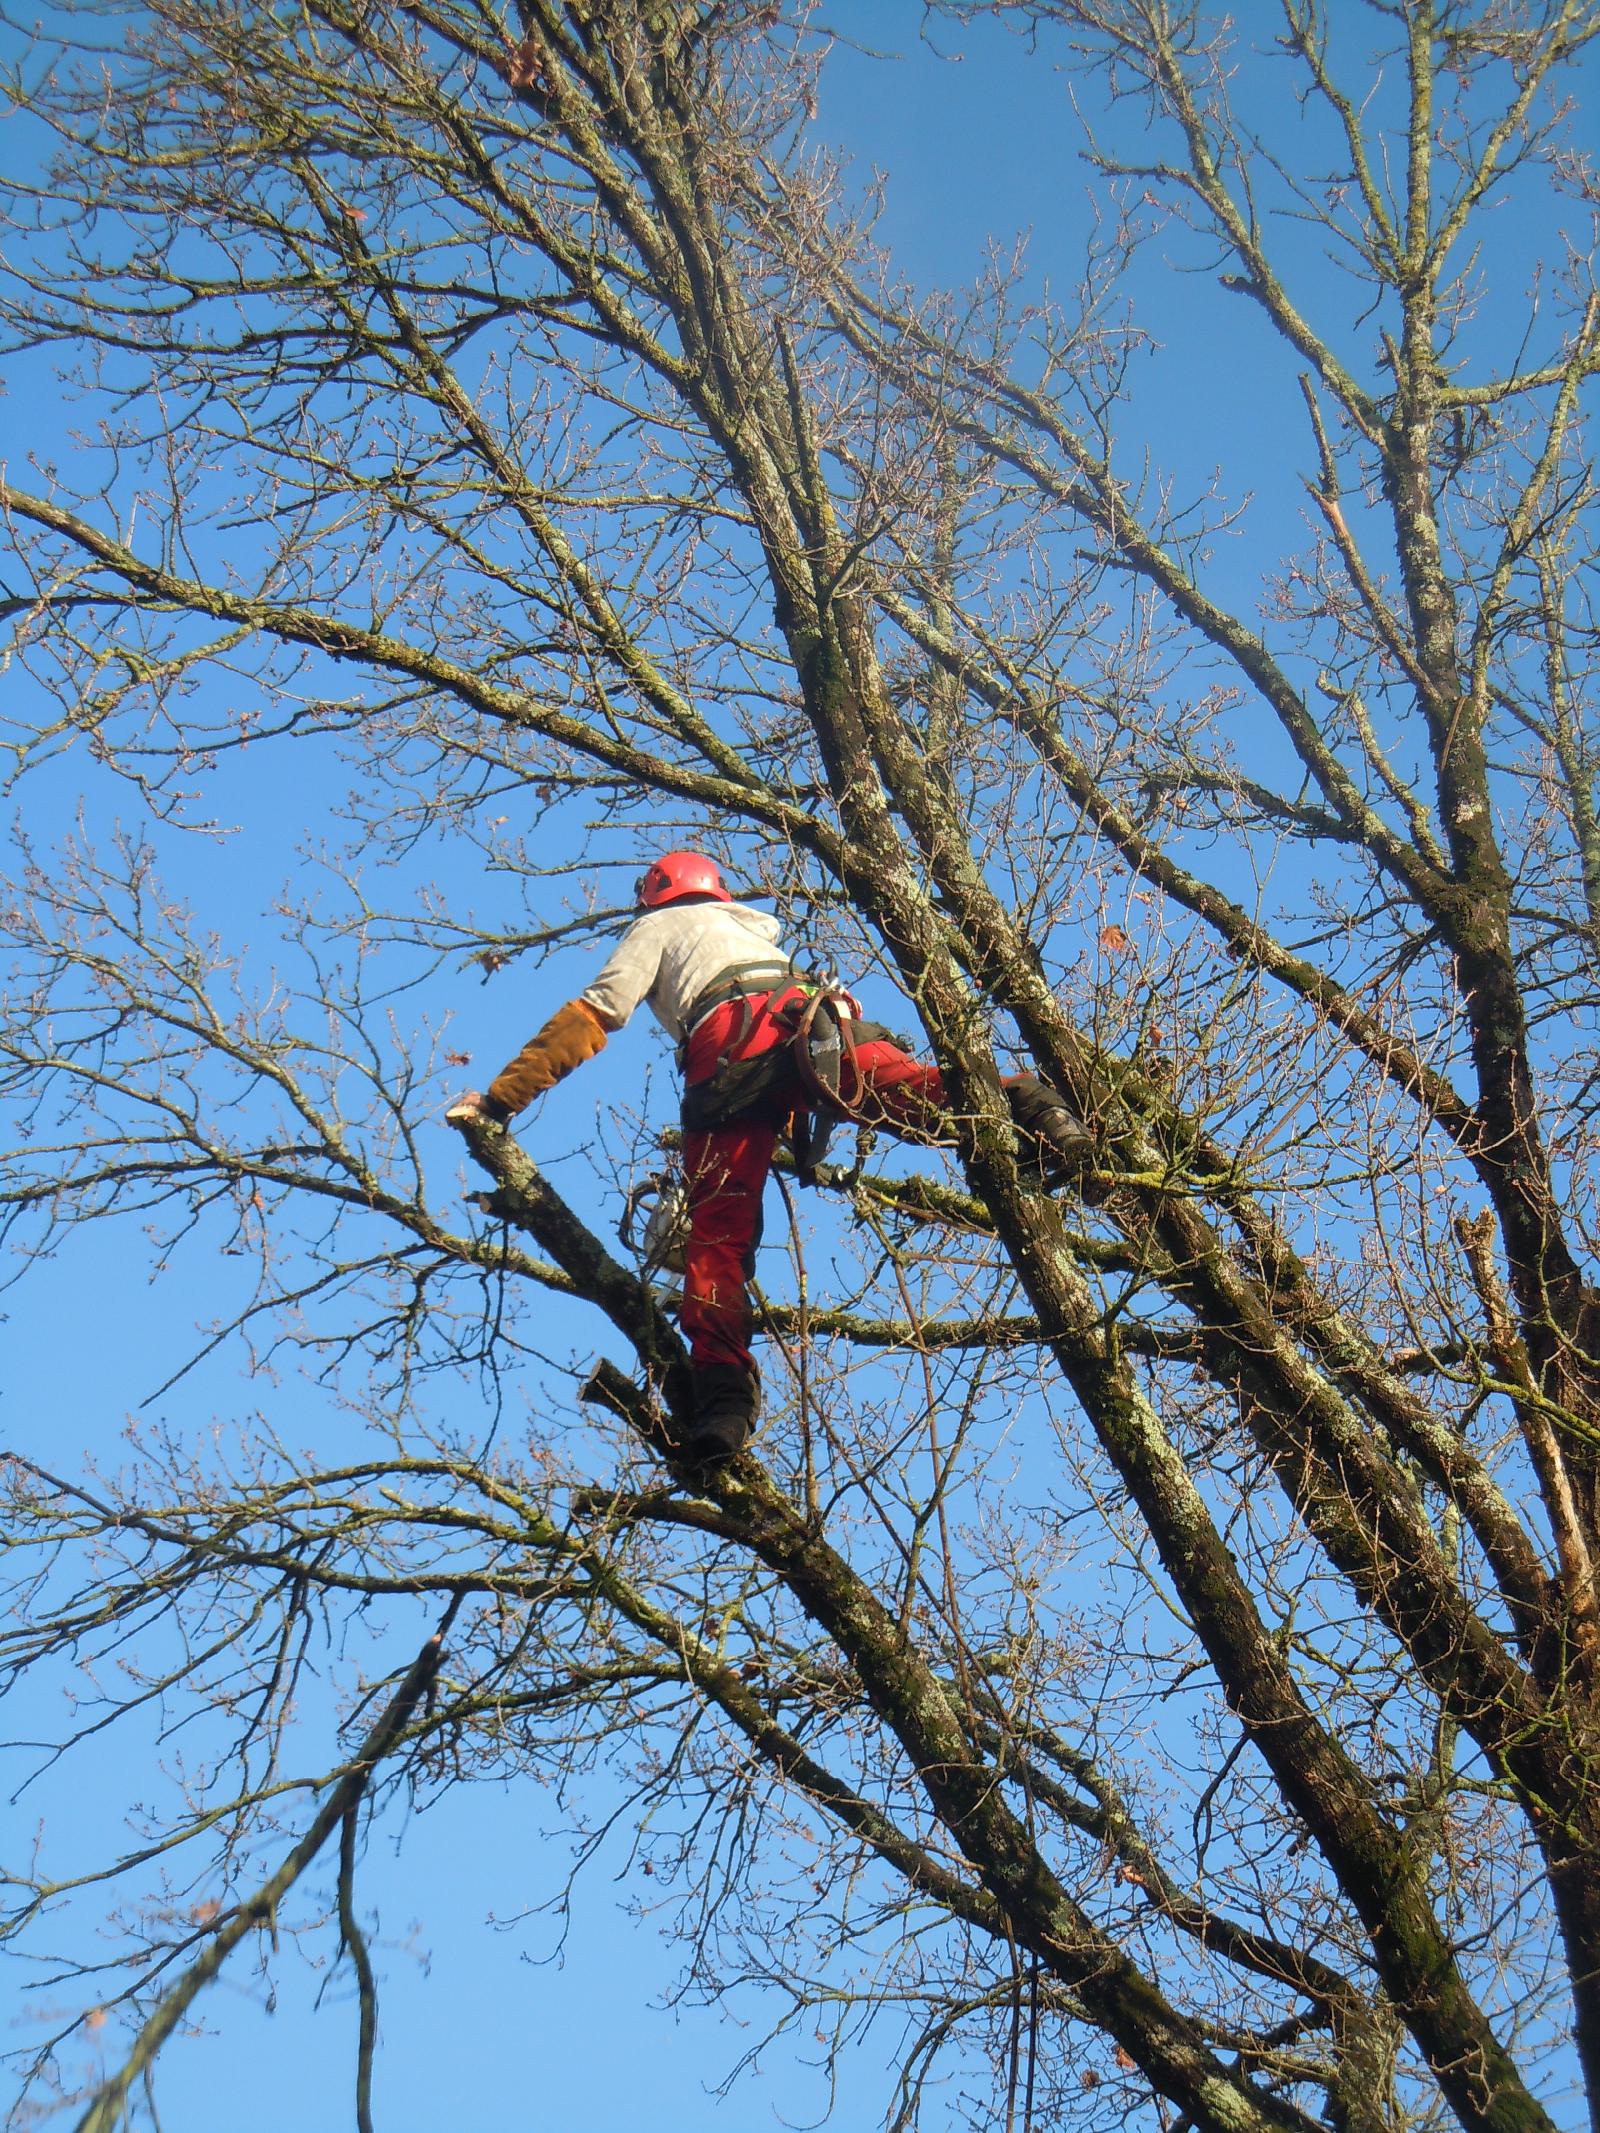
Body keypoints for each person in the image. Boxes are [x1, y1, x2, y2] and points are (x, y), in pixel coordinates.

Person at [447, 851, 1090, 1462]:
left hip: (730, 1053)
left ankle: (723, 1403)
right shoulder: (755, 933)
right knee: (914, 1095)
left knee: (716, 1240)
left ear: (654, 895)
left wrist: (503, 1100)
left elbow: (597, 1013)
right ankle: (1035, 1113)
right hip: (812, 1023)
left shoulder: (660, 925)